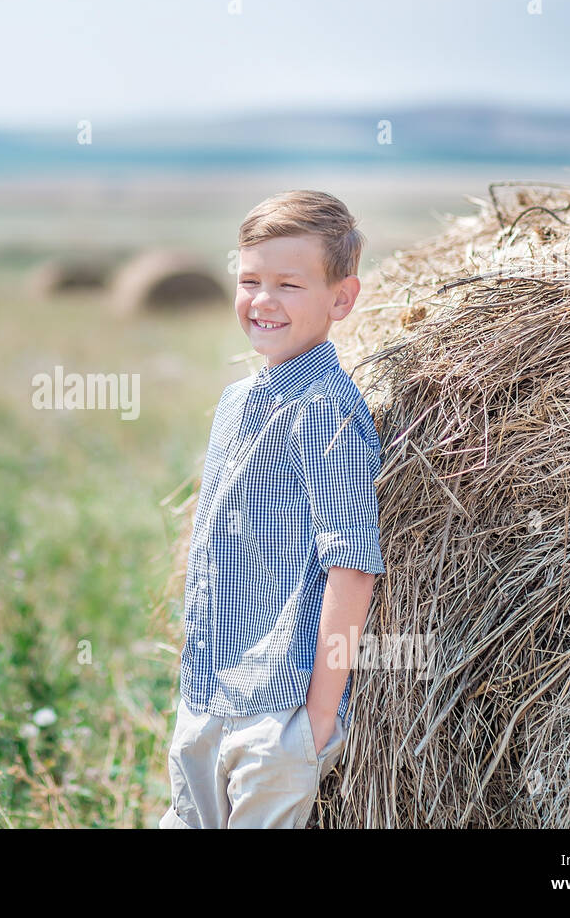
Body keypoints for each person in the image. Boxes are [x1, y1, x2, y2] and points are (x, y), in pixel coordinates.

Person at [159, 190, 386, 829]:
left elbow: (352, 568)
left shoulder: (326, 413)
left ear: (342, 298)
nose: (263, 300)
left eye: (289, 284)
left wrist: (315, 722)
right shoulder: (235, 402)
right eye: (250, 280)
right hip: (206, 696)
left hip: (275, 714)